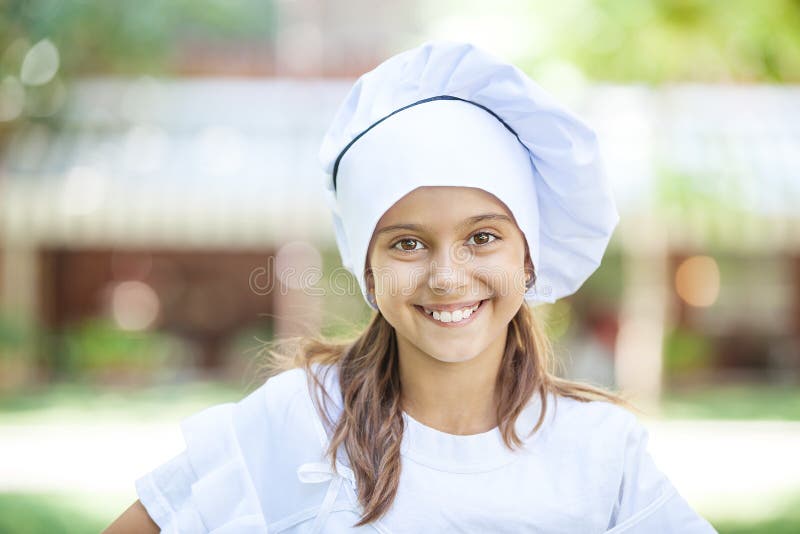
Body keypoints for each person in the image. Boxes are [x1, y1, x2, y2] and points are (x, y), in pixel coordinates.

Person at [104, 40, 718, 533]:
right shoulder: (296, 421)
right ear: (367, 270)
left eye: (483, 238)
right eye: (407, 243)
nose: (447, 277)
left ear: (529, 256)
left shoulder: (600, 453)